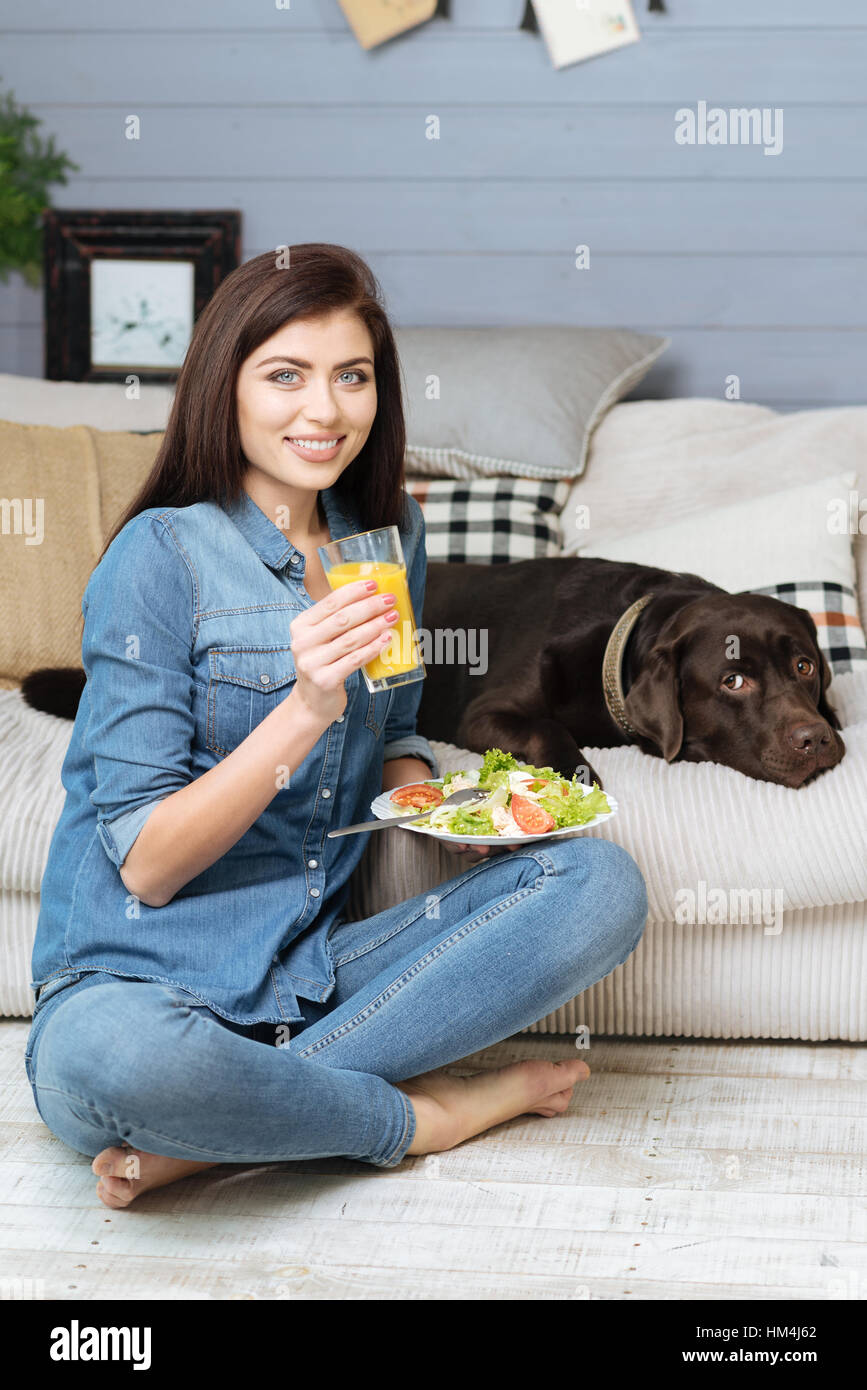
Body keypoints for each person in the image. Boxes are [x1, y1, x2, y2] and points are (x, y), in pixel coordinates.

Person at [24, 244, 648, 1209]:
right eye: (285, 375)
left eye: (350, 376)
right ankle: (417, 1118)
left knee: (599, 882)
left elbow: (393, 724)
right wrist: (306, 705)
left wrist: (445, 802)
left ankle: (220, 1135)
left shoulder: (386, 532)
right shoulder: (163, 555)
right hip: (132, 992)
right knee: (133, 1067)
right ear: (223, 384)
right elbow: (147, 865)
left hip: (308, 976)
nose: (324, 411)